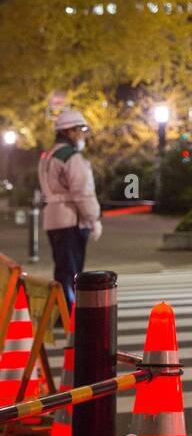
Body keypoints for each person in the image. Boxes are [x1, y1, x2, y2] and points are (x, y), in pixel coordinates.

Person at [38, 109, 102, 308]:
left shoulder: (47, 156)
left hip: (52, 217)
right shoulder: (71, 157)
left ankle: (60, 310)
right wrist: (93, 218)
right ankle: (67, 313)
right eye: (81, 129)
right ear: (70, 131)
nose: (83, 134)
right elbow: (83, 192)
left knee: (62, 268)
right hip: (70, 218)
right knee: (72, 270)